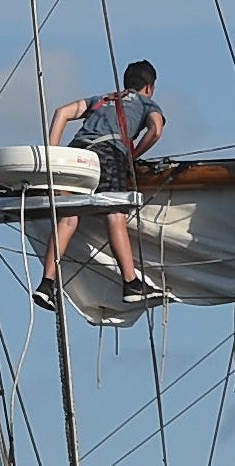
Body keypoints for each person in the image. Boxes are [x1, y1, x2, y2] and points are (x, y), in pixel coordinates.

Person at [34, 60, 168, 310]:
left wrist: (52, 154)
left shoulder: (103, 99)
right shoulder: (146, 102)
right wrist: (133, 155)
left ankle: (46, 284)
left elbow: (62, 112)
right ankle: (131, 284)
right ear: (149, 87)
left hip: (75, 155)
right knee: (114, 214)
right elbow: (156, 130)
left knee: (68, 218)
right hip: (108, 153)